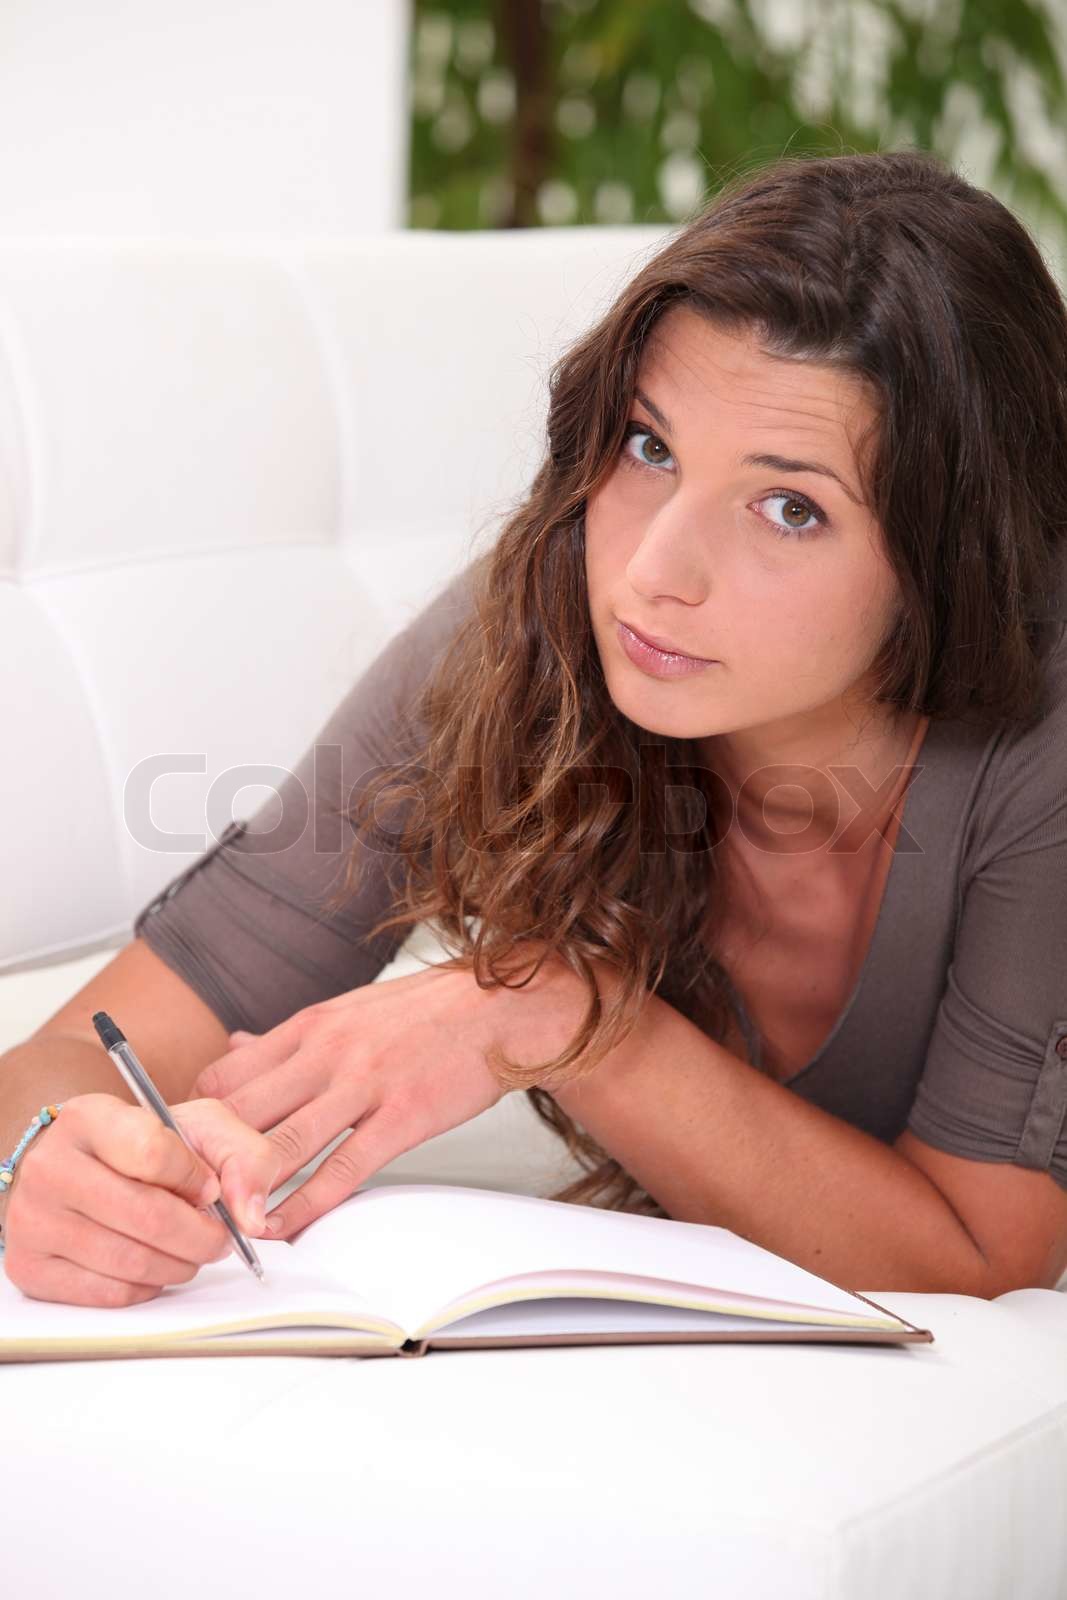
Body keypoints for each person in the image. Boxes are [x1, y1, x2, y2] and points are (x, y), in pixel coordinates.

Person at [3, 147, 1066, 1310]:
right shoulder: (533, 627)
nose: (654, 571)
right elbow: (77, 1052)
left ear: (945, 559)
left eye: (787, 507)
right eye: (647, 446)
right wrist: (48, 1160)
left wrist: (568, 1013)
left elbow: (987, 1255)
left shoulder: (1036, 743)